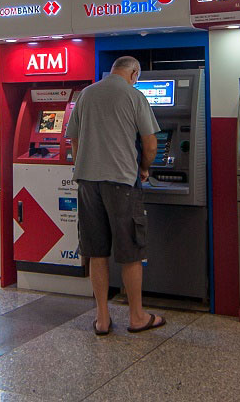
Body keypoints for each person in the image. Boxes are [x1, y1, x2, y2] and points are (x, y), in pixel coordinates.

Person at [65, 55, 165, 335]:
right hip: (121, 181)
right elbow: (151, 143)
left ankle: (102, 319)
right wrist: (144, 168)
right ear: (134, 73)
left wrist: (83, 164)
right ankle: (136, 316)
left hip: (87, 183)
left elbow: (74, 138)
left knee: (96, 252)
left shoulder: (86, 94)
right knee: (130, 251)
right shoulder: (134, 96)